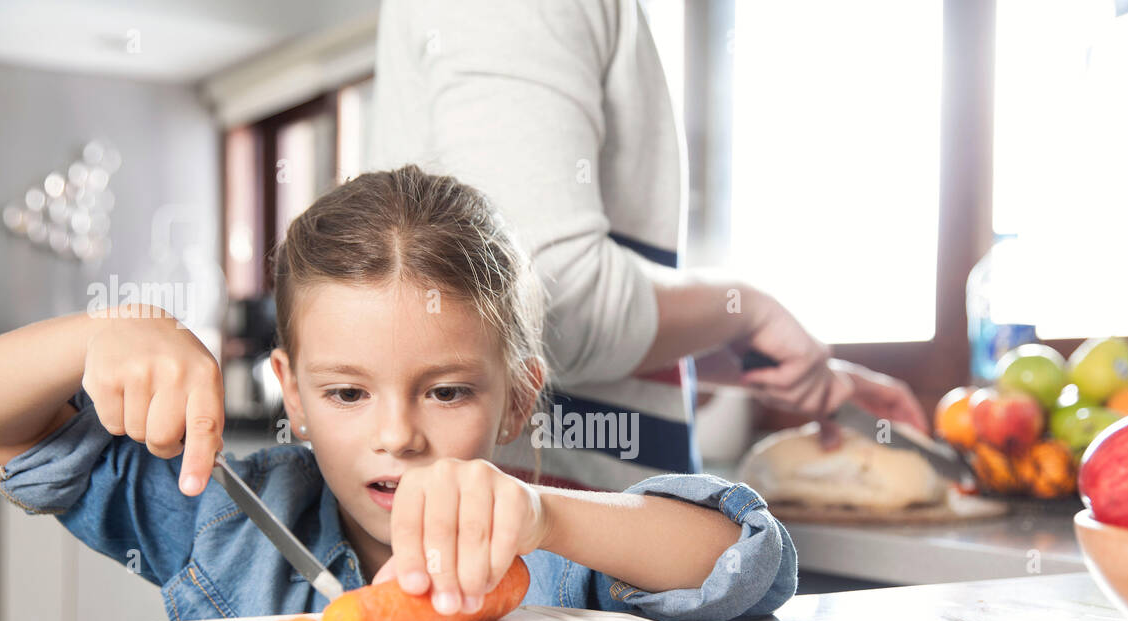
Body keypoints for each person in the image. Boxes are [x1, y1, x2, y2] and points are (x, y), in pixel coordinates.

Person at [0, 167, 797, 621]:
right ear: (293, 394)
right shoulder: (226, 519)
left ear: (520, 398)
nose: (398, 436)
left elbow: (749, 561)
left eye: (448, 390)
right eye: (347, 393)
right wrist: (97, 335)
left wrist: (548, 518)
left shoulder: (558, 553)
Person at [368, 0, 929, 493]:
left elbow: (514, 326)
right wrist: (747, 309)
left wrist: (773, 364)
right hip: (546, 563)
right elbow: (547, 298)